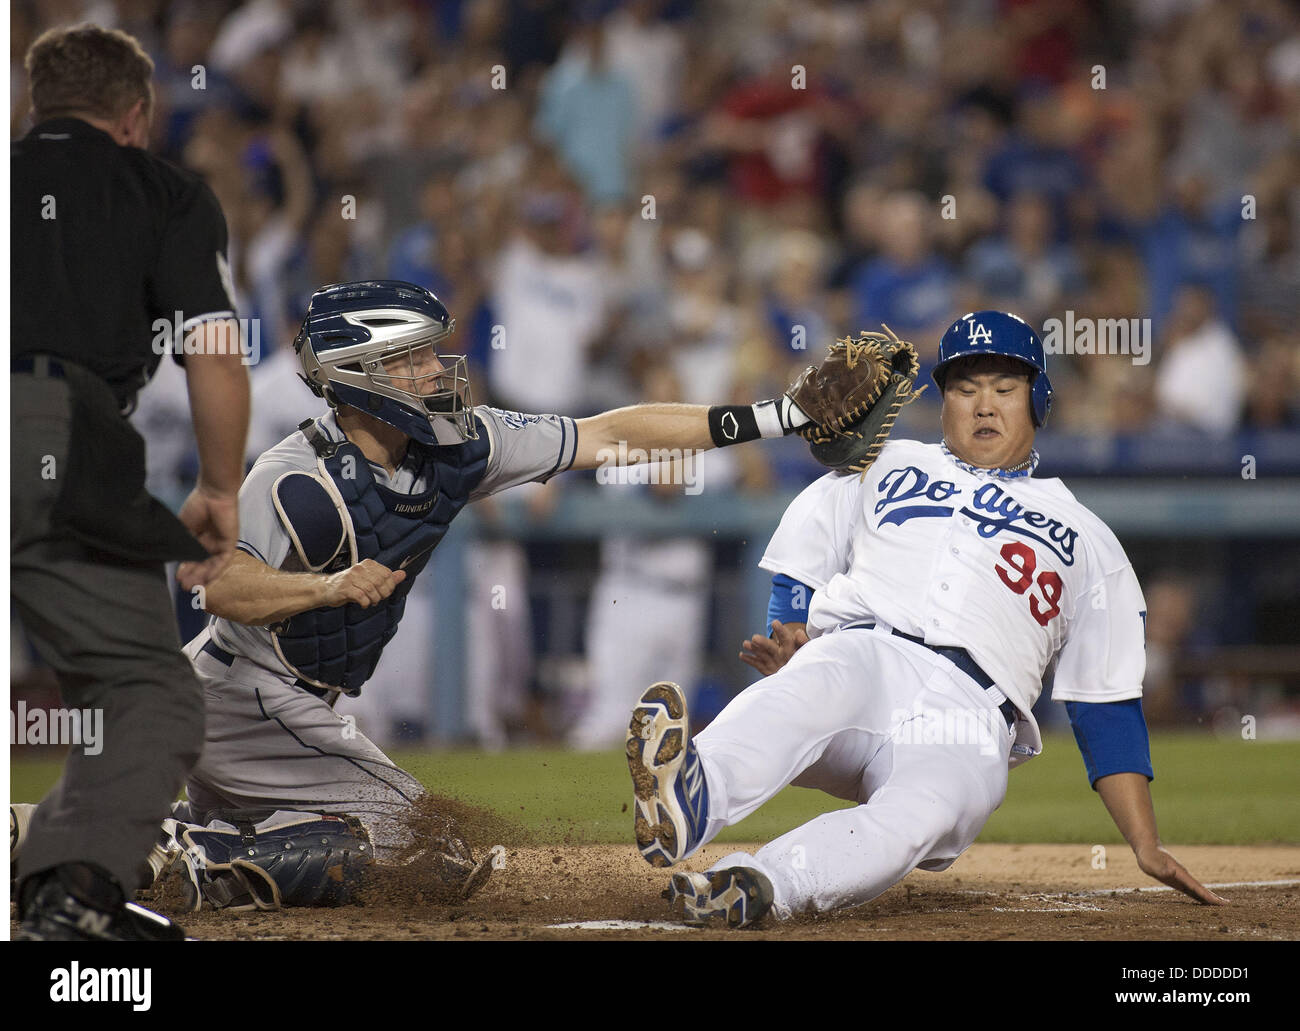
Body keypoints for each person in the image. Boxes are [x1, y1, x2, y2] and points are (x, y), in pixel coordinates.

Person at [52, 278, 814, 912]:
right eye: (411, 359)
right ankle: (208, 854)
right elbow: (221, 586)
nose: (436, 370)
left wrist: (779, 416)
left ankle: (166, 835)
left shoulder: (462, 444)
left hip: (286, 702)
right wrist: (326, 586)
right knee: (432, 849)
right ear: (359, 375)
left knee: (407, 846)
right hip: (236, 692)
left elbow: (612, 434)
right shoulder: (292, 477)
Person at [626, 310, 1227, 927]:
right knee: (805, 690)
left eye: (1004, 388)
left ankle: (763, 885)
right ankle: (690, 797)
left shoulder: (1089, 539)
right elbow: (802, 555)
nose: (983, 406)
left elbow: (1105, 704)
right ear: (943, 404)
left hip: (973, 714)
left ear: (1038, 399)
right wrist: (794, 628)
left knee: (916, 816)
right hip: (868, 653)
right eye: (965, 390)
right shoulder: (886, 461)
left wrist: (1144, 843)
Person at [10, 24, 249, 940]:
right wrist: (220, 490)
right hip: (57, 428)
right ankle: (70, 901)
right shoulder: (164, 191)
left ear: (37, 107)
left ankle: (54, 884)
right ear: (136, 117)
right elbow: (216, 357)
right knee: (143, 689)